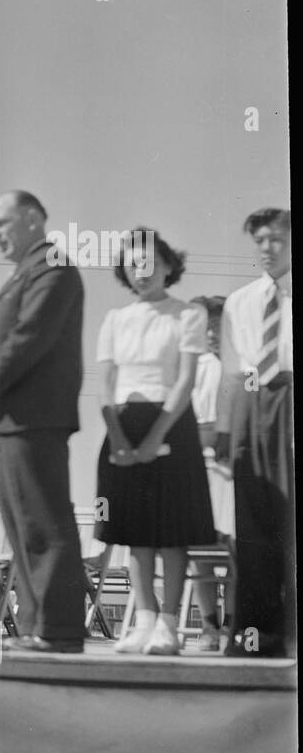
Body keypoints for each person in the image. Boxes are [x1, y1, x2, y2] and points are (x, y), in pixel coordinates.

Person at [0, 190, 88, 654]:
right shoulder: (28, 270)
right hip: (10, 420)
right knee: (20, 527)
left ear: (34, 219)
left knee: (42, 522)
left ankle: (57, 630)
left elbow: (30, 334)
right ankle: (40, 627)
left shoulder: (52, 266)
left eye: (2, 222)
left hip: (32, 417)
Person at [95, 230, 216, 655]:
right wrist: (119, 438)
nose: (140, 270)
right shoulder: (114, 320)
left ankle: (168, 626)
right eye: (131, 263)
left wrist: (154, 439)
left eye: (148, 262)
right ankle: (143, 622)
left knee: (171, 534)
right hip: (123, 426)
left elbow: (185, 381)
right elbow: (106, 385)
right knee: (136, 535)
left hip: (172, 426)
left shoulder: (187, 315)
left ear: (167, 265)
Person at [217, 208, 293, 657]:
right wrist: (227, 433)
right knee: (254, 529)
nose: (267, 248)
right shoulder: (239, 302)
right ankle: (257, 637)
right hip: (252, 412)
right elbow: (231, 375)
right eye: (260, 240)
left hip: (289, 402)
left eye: (277, 239)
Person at [189, 295, 228, 650]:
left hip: (229, 471)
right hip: (196, 468)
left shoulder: (241, 366)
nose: (212, 334)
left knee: (233, 551)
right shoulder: (192, 367)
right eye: (207, 328)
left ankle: (233, 624)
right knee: (199, 553)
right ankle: (209, 626)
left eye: (218, 326)